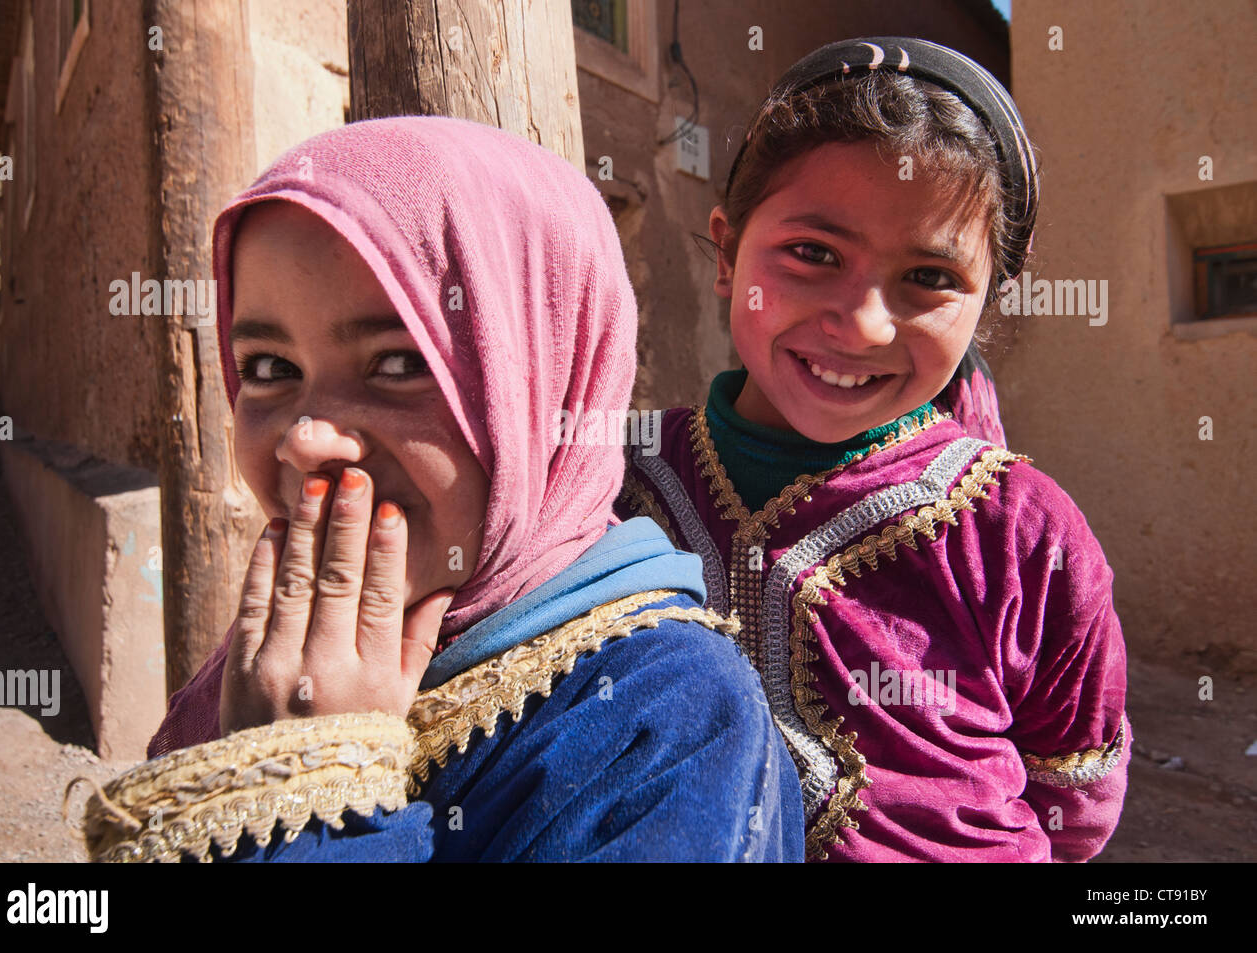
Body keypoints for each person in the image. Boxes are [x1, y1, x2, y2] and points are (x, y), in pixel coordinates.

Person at [77, 117, 804, 863]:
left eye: (396, 362)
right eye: (268, 367)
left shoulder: (673, 729)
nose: (306, 438)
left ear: (543, 380)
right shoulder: (284, 663)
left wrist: (307, 783)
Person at [615, 37, 1129, 862]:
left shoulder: (1027, 535)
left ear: (986, 303)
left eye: (930, 278)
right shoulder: (620, 481)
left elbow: (1075, 804)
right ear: (725, 252)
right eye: (813, 254)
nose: (861, 325)